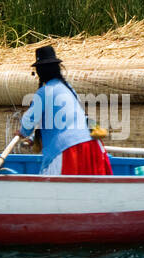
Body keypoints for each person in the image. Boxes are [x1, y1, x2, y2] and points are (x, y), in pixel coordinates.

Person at [19, 46, 113, 176]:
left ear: (39, 72)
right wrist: (35, 137)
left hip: (69, 150)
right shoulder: (68, 89)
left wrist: (21, 132)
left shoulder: (43, 92)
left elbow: (27, 125)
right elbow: (67, 122)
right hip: (92, 145)